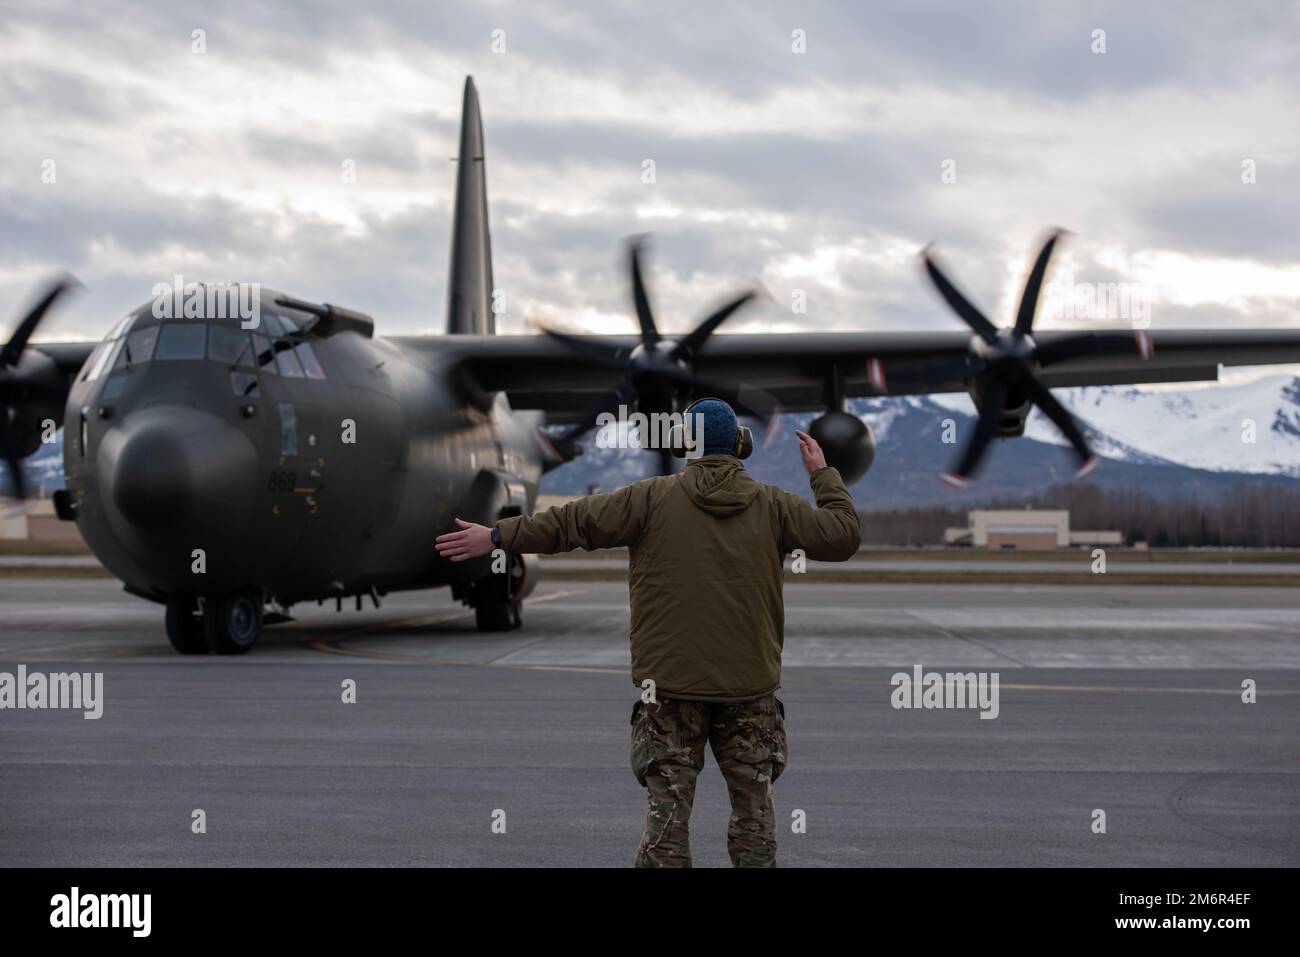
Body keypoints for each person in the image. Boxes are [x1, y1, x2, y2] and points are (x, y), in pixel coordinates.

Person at [435, 400, 861, 866]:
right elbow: (843, 535)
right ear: (741, 446)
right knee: (754, 814)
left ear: (684, 444)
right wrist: (823, 474)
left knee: (667, 822)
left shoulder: (648, 499)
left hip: (670, 691)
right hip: (749, 689)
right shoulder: (776, 505)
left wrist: (497, 536)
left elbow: (570, 523)